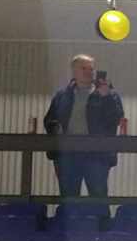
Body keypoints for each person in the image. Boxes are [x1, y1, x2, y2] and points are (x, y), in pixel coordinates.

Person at [41, 53, 125, 199]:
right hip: (68, 154)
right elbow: (49, 119)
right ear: (74, 71)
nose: (89, 72)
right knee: (68, 197)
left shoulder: (108, 94)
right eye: (83, 68)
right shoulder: (62, 95)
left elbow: (116, 118)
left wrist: (107, 97)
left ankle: (100, 222)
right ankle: (71, 222)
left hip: (97, 154)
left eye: (91, 69)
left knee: (98, 196)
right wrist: (56, 129)